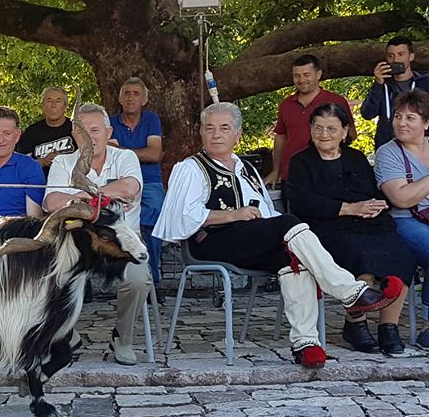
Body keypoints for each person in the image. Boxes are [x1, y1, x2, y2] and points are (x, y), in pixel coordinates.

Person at [154, 102, 399, 369]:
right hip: (210, 241)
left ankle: (306, 344)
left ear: (237, 134)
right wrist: (232, 215)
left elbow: (267, 213)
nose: (216, 135)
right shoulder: (191, 168)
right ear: (201, 132)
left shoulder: (245, 168)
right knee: (288, 223)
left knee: (294, 258)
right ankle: (350, 292)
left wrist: (273, 230)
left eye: (224, 128)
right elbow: (181, 217)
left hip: (250, 239)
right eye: (209, 128)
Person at [287, 103, 414, 355]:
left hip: (369, 223)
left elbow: (372, 192)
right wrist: (349, 208)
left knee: (403, 256)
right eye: (318, 127)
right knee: (360, 257)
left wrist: (376, 205)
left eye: (331, 128)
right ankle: (356, 324)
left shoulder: (356, 158)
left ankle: (388, 327)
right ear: (311, 129)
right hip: (328, 227)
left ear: (345, 131)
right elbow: (302, 203)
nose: (324, 134)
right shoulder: (301, 162)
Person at [46, 103, 151, 364]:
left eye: (95, 130)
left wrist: (81, 199)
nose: (89, 137)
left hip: (122, 244)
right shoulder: (62, 162)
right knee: (46, 274)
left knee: (138, 280)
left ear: (108, 132)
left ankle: (122, 338)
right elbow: (52, 202)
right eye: (82, 132)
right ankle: (66, 333)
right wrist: (103, 197)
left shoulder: (125, 157)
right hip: (76, 244)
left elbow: (129, 188)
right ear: (74, 134)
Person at [374, 89, 429, 339]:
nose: (402, 123)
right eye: (398, 116)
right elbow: (401, 198)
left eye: (410, 118)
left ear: (426, 123)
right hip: (405, 219)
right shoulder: (388, 152)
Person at [266, 55, 356, 185]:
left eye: (306, 74)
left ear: (318, 74)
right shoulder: (286, 104)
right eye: (297, 76)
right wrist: (276, 170)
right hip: (291, 174)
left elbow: (351, 134)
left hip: (328, 173)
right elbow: (280, 137)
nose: (301, 80)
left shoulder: (336, 101)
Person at [108, 77, 165, 285]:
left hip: (149, 181)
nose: (131, 98)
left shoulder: (151, 120)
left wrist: (124, 152)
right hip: (120, 180)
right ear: (120, 98)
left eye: (136, 94)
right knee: (115, 218)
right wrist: (139, 153)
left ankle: (153, 277)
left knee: (155, 215)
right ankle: (126, 276)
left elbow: (155, 154)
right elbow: (112, 155)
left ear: (145, 100)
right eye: (127, 93)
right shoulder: (110, 122)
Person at [362, 36, 429, 149]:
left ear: (411, 57)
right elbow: (367, 114)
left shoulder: (425, 82)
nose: (395, 60)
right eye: (390, 56)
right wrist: (378, 84)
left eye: (401, 54)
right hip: (388, 147)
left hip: (420, 148)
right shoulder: (382, 85)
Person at [17, 87, 77, 172]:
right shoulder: (31, 132)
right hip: (40, 179)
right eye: (49, 101)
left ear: (65, 106)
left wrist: (62, 159)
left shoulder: (76, 128)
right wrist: (42, 162)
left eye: (58, 101)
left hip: (70, 178)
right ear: (43, 106)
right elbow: (22, 165)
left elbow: (87, 158)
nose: (53, 105)